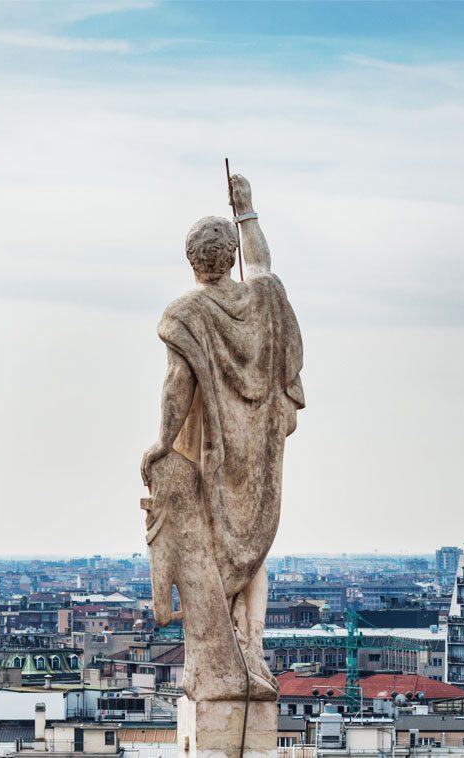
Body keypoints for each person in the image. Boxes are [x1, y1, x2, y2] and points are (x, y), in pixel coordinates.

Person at [140, 174, 305, 703]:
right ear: (230, 256)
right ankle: (250, 647)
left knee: (214, 552)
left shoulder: (186, 313)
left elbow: (178, 384)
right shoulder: (264, 300)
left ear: (192, 262)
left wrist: (163, 443)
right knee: (254, 553)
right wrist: (247, 211)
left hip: (214, 455)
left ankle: (225, 651)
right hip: (259, 454)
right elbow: (263, 266)